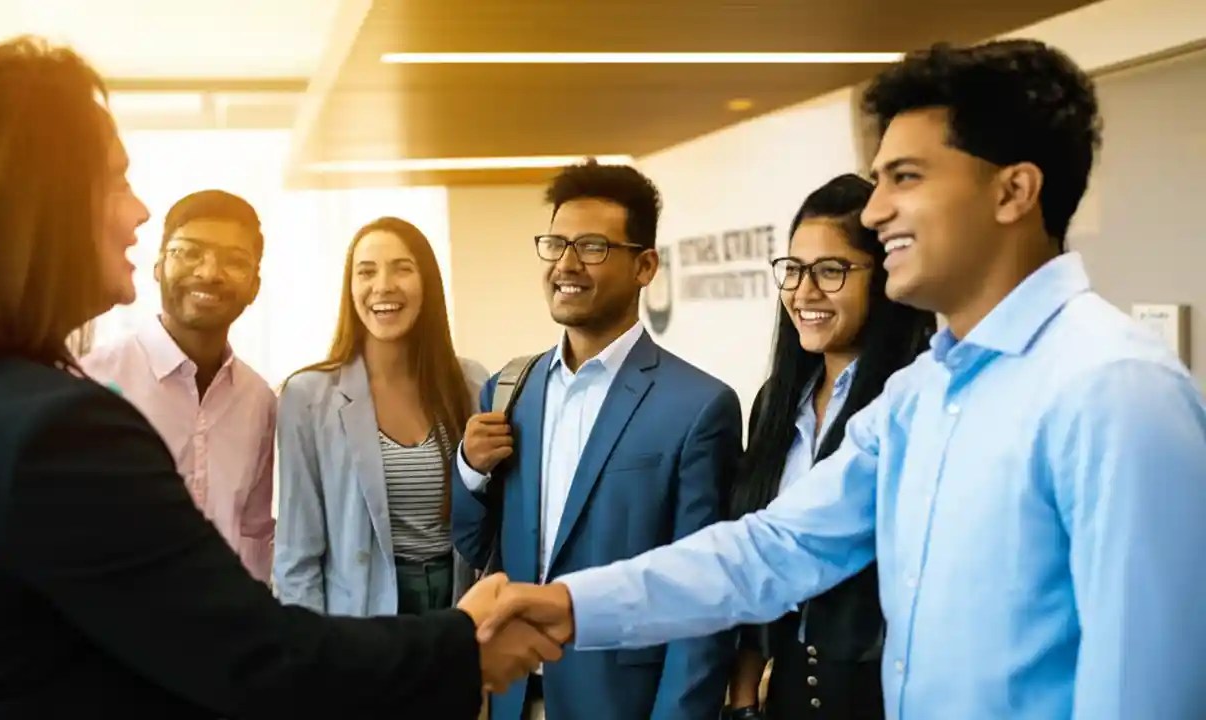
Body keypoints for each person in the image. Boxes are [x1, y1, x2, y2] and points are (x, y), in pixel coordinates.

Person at [478, 40, 1206, 720]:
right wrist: (569, 604)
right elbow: (770, 550)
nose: (878, 208)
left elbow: (1145, 692)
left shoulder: (1115, 391)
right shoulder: (922, 396)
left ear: (1013, 191)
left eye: (906, 178)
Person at [0, 37, 559, 719]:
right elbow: (253, 653)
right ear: (33, 201)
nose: (138, 211)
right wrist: (460, 648)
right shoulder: (58, 429)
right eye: (114, 181)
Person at [453, 160, 739, 720]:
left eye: (592, 247)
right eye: (555, 243)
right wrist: (469, 468)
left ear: (645, 265)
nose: (566, 264)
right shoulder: (511, 389)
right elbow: (473, 543)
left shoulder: (699, 406)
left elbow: (704, 596)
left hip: (621, 702)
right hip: (514, 696)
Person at [726, 175, 934, 720]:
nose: (804, 291)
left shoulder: (914, 401)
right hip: (789, 691)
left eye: (831, 271)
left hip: (886, 694)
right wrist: (744, 699)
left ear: (884, 275)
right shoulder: (777, 402)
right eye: (793, 270)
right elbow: (759, 554)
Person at [274, 216, 488, 617]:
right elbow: (296, 554)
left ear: (427, 283)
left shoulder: (473, 384)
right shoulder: (307, 396)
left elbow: (490, 523)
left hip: (457, 612)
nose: (383, 285)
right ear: (350, 288)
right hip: (358, 622)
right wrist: (306, 655)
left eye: (402, 269)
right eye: (366, 272)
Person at [82, 190, 276, 583]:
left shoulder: (260, 400)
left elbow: (255, 533)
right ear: (157, 267)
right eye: (189, 252)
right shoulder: (94, 381)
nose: (209, 273)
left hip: (225, 627)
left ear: (255, 285)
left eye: (234, 262)